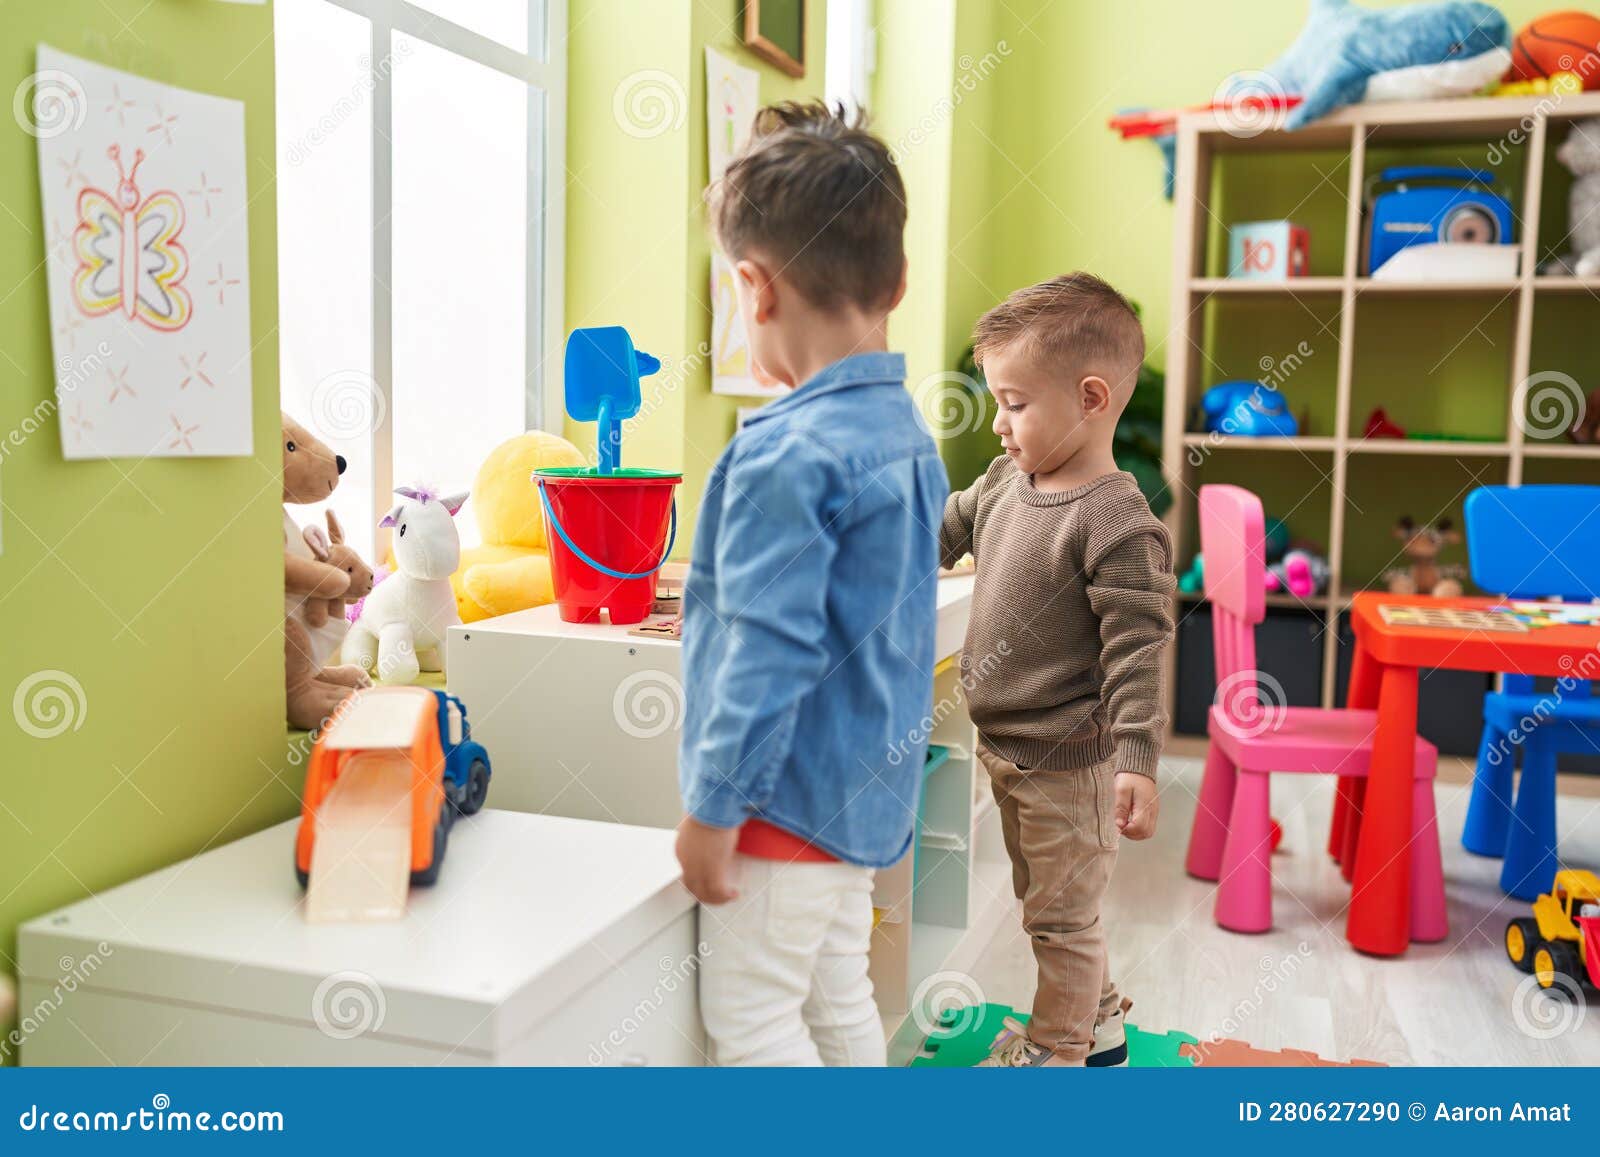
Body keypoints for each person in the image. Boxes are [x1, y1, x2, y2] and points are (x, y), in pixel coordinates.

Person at [676, 101, 948, 1067]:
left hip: (780, 813)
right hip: (863, 808)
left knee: (750, 1027)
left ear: (752, 288)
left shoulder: (784, 454)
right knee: (839, 1005)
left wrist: (714, 806)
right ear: (900, 280)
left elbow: (768, 650)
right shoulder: (907, 437)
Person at [940, 272, 1175, 1067]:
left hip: (1070, 767)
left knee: (1062, 918)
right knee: (1048, 902)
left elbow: (1138, 649)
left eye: (1015, 403)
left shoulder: (1116, 521)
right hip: (1007, 750)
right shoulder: (1009, 478)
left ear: (1091, 398)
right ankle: (1099, 1020)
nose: (999, 424)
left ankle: (1057, 1052)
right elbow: (951, 523)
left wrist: (1138, 759)